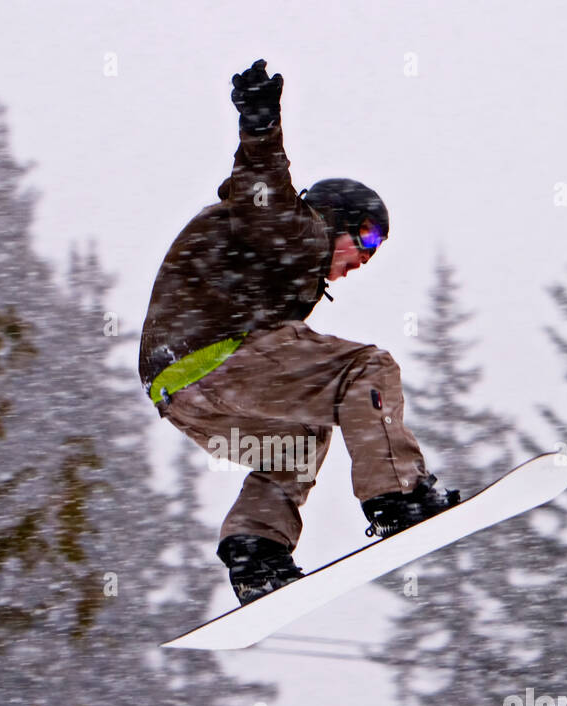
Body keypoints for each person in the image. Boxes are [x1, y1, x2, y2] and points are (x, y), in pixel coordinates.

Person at [139, 58, 461, 604]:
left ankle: (256, 552)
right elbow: (260, 188)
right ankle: (397, 496)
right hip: (215, 354)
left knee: (298, 440)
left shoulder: (284, 264)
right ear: (335, 216)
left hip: (178, 388)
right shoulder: (295, 228)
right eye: (368, 237)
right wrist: (261, 125)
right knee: (367, 366)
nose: (367, 256)